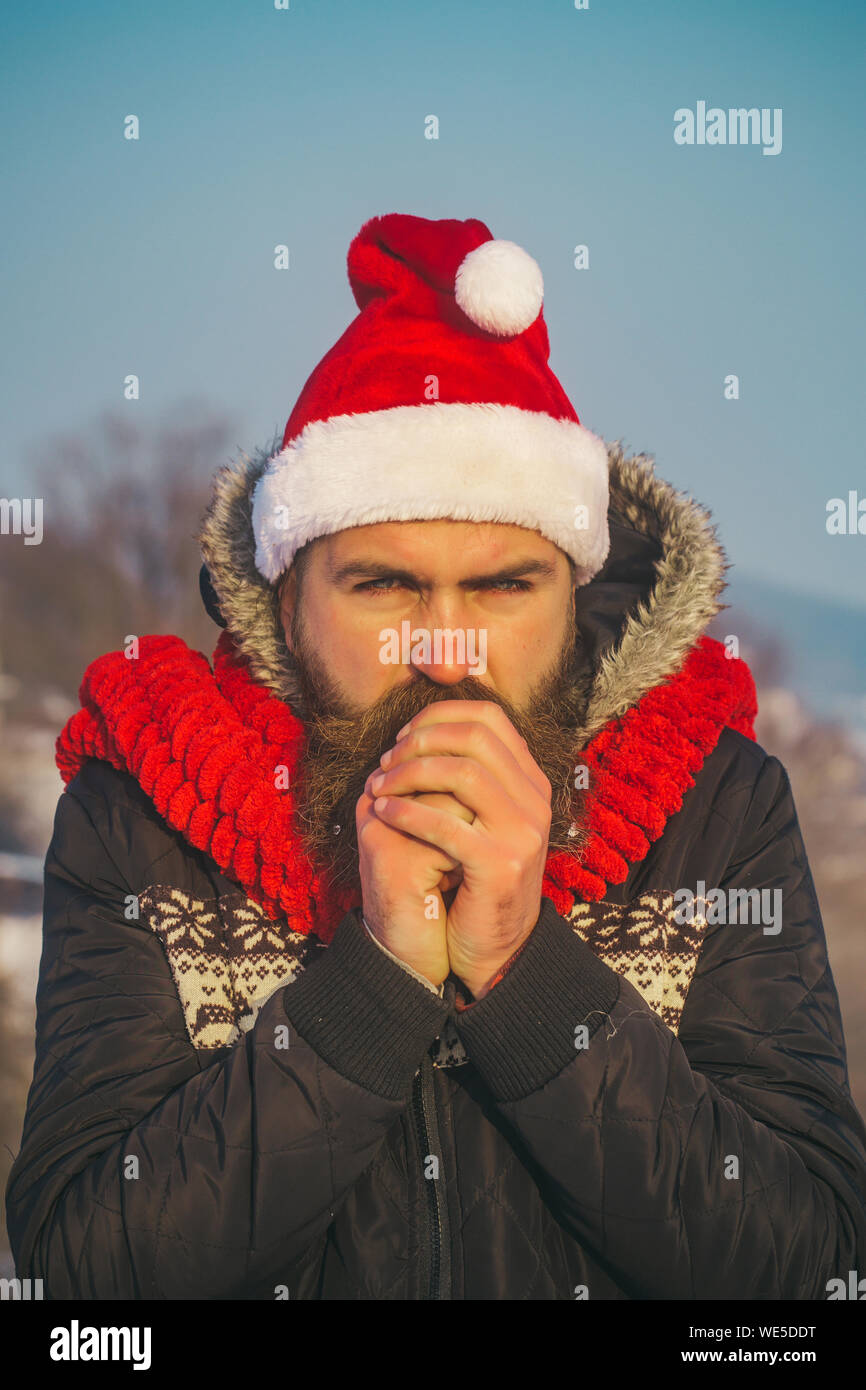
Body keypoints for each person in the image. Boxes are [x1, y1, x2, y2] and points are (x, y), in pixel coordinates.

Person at [7, 213, 866, 1300]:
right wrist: (374, 984)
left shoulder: (717, 801)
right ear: (285, 599)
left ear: (576, 596)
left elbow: (805, 1272)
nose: (445, 642)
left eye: (504, 586)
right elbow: (84, 1286)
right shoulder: (145, 805)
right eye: (383, 585)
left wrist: (524, 969)